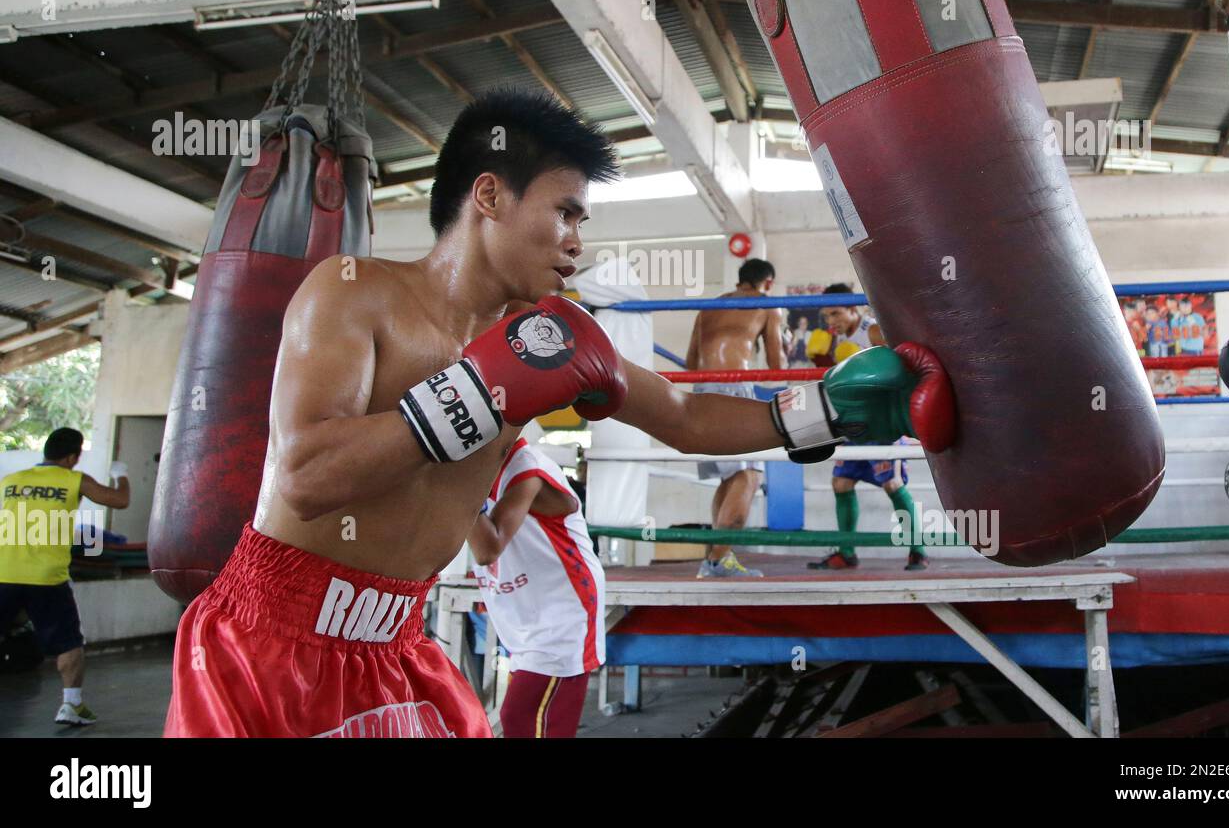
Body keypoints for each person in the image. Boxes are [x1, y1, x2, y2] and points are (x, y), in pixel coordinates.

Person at [165, 88, 953, 737]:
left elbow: (681, 414)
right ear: (488, 195)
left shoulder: (549, 340)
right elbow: (304, 476)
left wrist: (830, 409)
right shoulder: (353, 292)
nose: (577, 240)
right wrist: (479, 391)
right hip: (269, 643)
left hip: (399, 646)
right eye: (567, 212)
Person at [467, 434, 601, 738]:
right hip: (524, 617)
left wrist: (453, 485)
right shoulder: (478, 467)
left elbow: (488, 548)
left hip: (563, 613)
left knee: (519, 716)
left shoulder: (527, 469)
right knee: (535, 724)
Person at [0, 428, 130, 726]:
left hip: (3, 571)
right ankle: (71, 705)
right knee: (69, 643)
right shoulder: (75, 480)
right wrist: (120, 474)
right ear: (73, 457)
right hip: (46, 578)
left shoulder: (11, 481)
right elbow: (120, 501)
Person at [685, 257, 786, 579]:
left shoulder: (710, 307)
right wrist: (786, 341)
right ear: (767, 282)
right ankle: (716, 561)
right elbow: (777, 367)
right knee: (750, 476)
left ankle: (715, 558)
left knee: (730, 478)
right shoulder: (768, 304)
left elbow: (690, 361)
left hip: (701, 389)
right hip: (732, 385)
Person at [809, 435, 926, 571]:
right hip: (852, 432)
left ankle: (918, 552)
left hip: (881, 430)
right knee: (841, 482)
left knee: (893, 484)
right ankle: (847, 553)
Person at [808, 282, 885, 367]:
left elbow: (892, 369)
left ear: (852, 309)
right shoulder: (837, 334)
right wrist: (821, 360)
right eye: (826, 316)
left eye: (835, 313)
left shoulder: (874, 331)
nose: (830, 322)